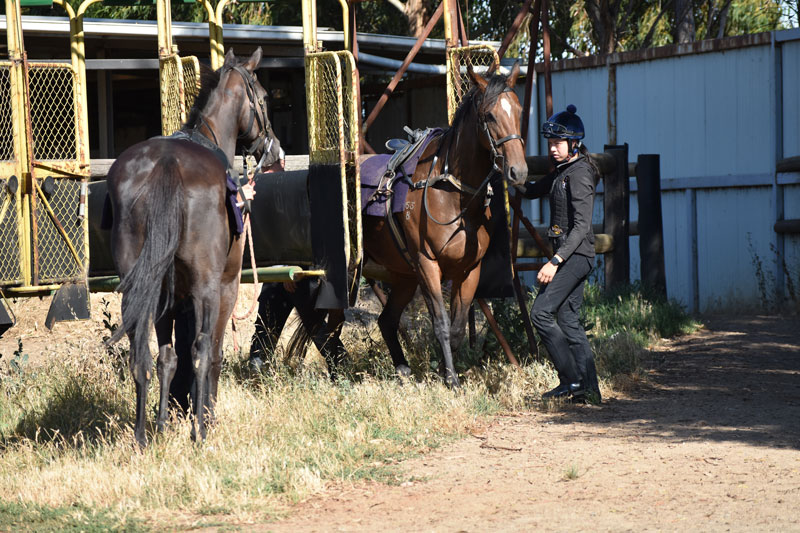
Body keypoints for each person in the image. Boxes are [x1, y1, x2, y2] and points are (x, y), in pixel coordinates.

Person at [524, 104, 601, 403]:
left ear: (574, 144)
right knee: (568, 321)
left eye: (558, 144)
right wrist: (505, 177)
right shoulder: (562, 171)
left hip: (576, 256)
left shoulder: (579, 174)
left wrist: (555, 261)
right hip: (572, 256)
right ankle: (589, 391)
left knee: (541, 313)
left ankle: (570, 381)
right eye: (550, 144)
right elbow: (531, 190)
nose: (552, 149)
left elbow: (582, 226)